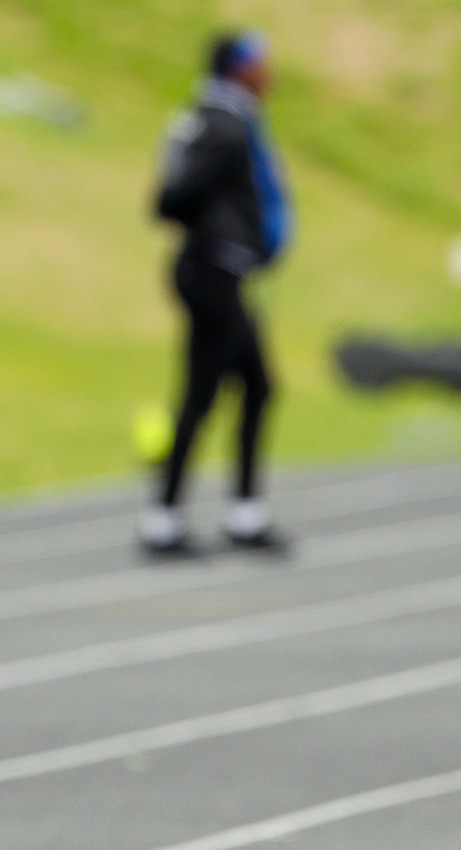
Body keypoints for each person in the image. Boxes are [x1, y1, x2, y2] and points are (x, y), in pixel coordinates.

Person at [144, 31, 290, 558]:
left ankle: (244, 512)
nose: (269, 73)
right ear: (238, 69)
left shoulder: (216, 117)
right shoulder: (225, 126)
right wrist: (227, 238)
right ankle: (163, 518)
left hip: (220, 271)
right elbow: (171, 197)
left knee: (257, 386)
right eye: (261, 64)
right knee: (202, 392)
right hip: (211, 271)